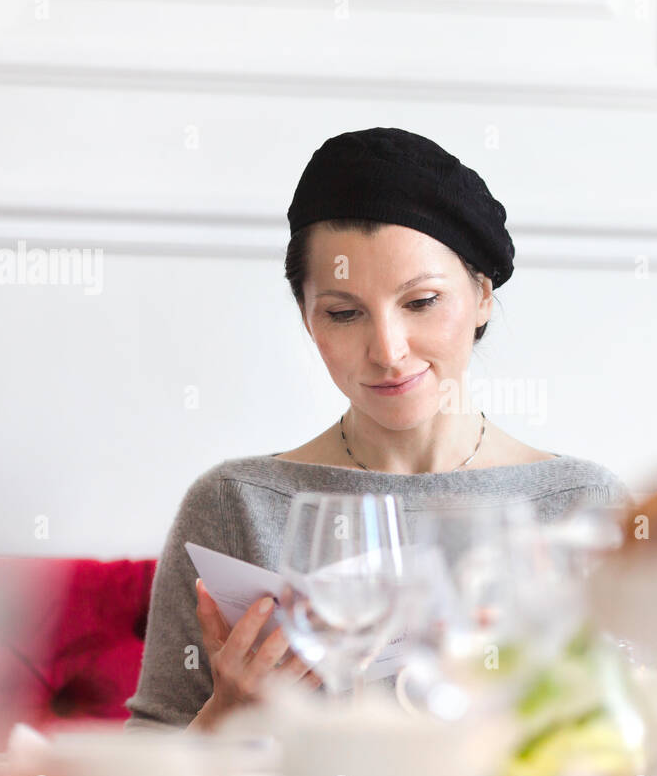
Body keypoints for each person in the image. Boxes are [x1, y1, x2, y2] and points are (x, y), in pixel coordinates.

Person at [125, 127, 630, 733]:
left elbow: (633, 766)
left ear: (482, 296)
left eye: (420, 302)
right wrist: (223, 718)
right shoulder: (235, 505)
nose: (388, 352)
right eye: (344, 313)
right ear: (309, 321)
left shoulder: (582, 507)